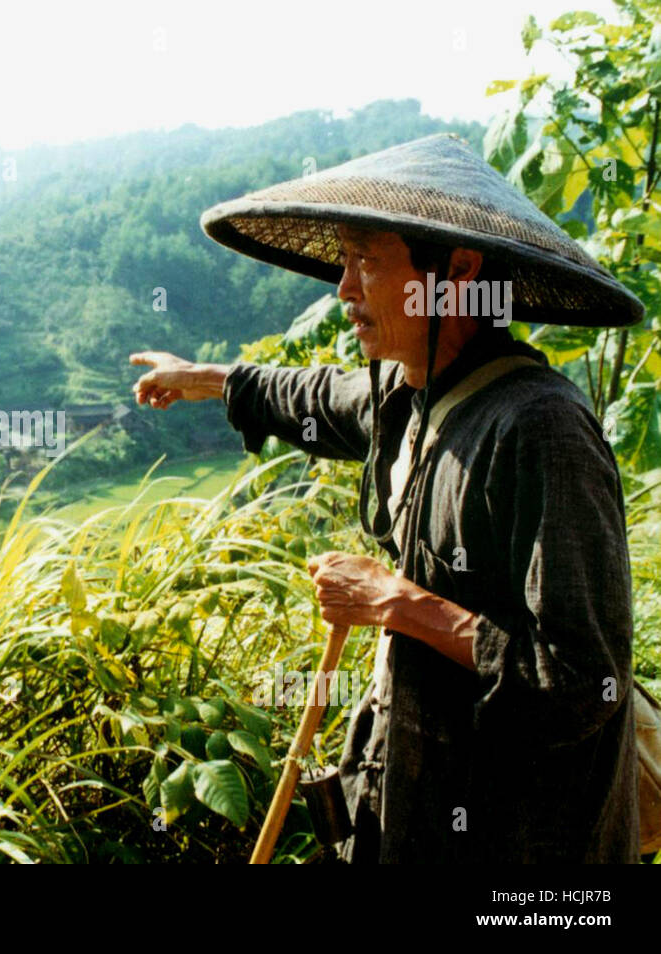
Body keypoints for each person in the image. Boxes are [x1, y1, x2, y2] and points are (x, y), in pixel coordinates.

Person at [130, 134, 642, 862]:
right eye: (344, 261)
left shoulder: (540, 430)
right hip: (416, 813)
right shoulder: (411, 396)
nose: (344, 290)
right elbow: (314, 394)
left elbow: (582, 684)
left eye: (366, 261)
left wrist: (397, 604)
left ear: (458, 271)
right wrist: (201, 377)